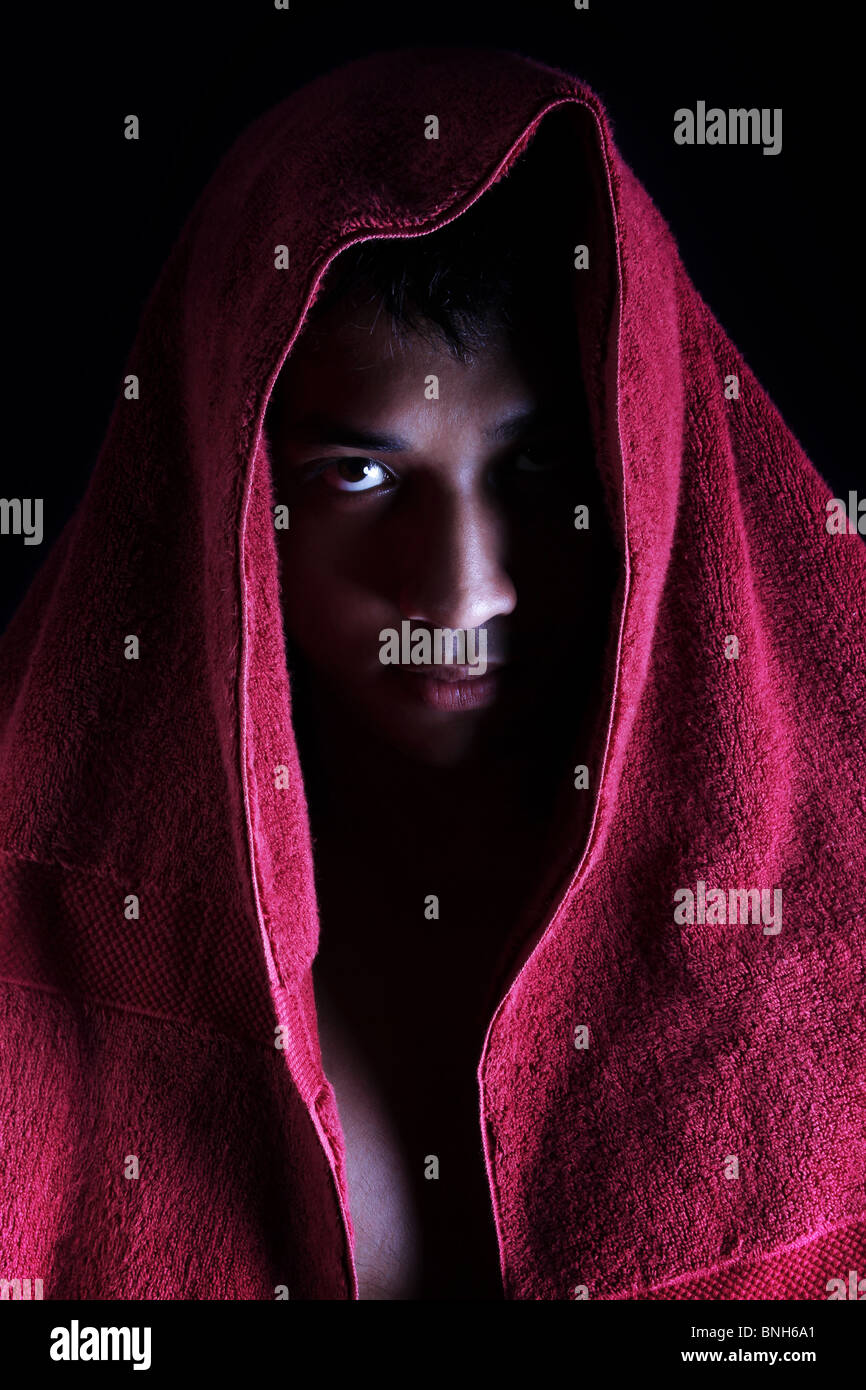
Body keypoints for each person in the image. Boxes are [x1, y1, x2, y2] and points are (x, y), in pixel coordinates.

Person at [0, 47, 863, 1302]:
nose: (459, 594)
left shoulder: (833, 937)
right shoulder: (32, 950)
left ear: (643, 465)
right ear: (227, 494)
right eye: (358, 477)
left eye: (536, 474)